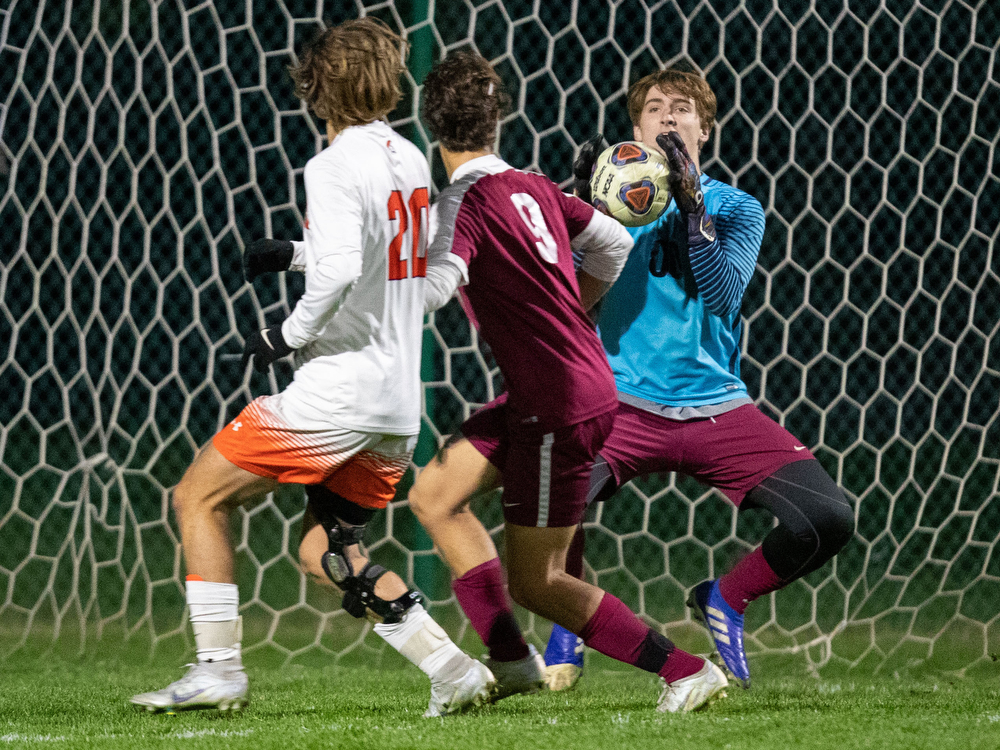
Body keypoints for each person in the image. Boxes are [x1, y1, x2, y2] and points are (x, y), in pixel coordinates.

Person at [130, 18, 494, 718]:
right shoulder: (410, 158)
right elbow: (391, 263)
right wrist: (295, 253)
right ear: (391, 83)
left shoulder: (328, 165)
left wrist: (285, 334)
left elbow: (339, 270)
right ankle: (452, 670)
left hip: (337, 394)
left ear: (317, 85)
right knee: (327, 552)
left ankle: (217, 669)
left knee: (197, 496)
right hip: (394, 408)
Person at [411, 50, 730, 715]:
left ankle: (688, 669)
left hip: (559, 403)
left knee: (541, 581)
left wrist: (391, 290)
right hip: (554, 390)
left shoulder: (462, 200)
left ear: (429, 126)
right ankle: (511, 662)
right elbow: (613, 238)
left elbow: (439, 286)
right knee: (437, 494)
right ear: (497, 119)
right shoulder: (530, 185)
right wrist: (570, 307)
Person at [540, 67, 857, 691]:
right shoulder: (604, 207)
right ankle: (566, 623)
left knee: (827, 517)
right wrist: (577, 220)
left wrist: (690, 209)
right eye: (652, 109)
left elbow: (722, 295)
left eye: (681, 108)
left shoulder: (737, 208)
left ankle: (726, 598)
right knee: (552, 497)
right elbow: (562, 300)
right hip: (622, 404)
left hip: (718, 408)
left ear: (704, 129)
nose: (667, 117)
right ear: (633, 130)